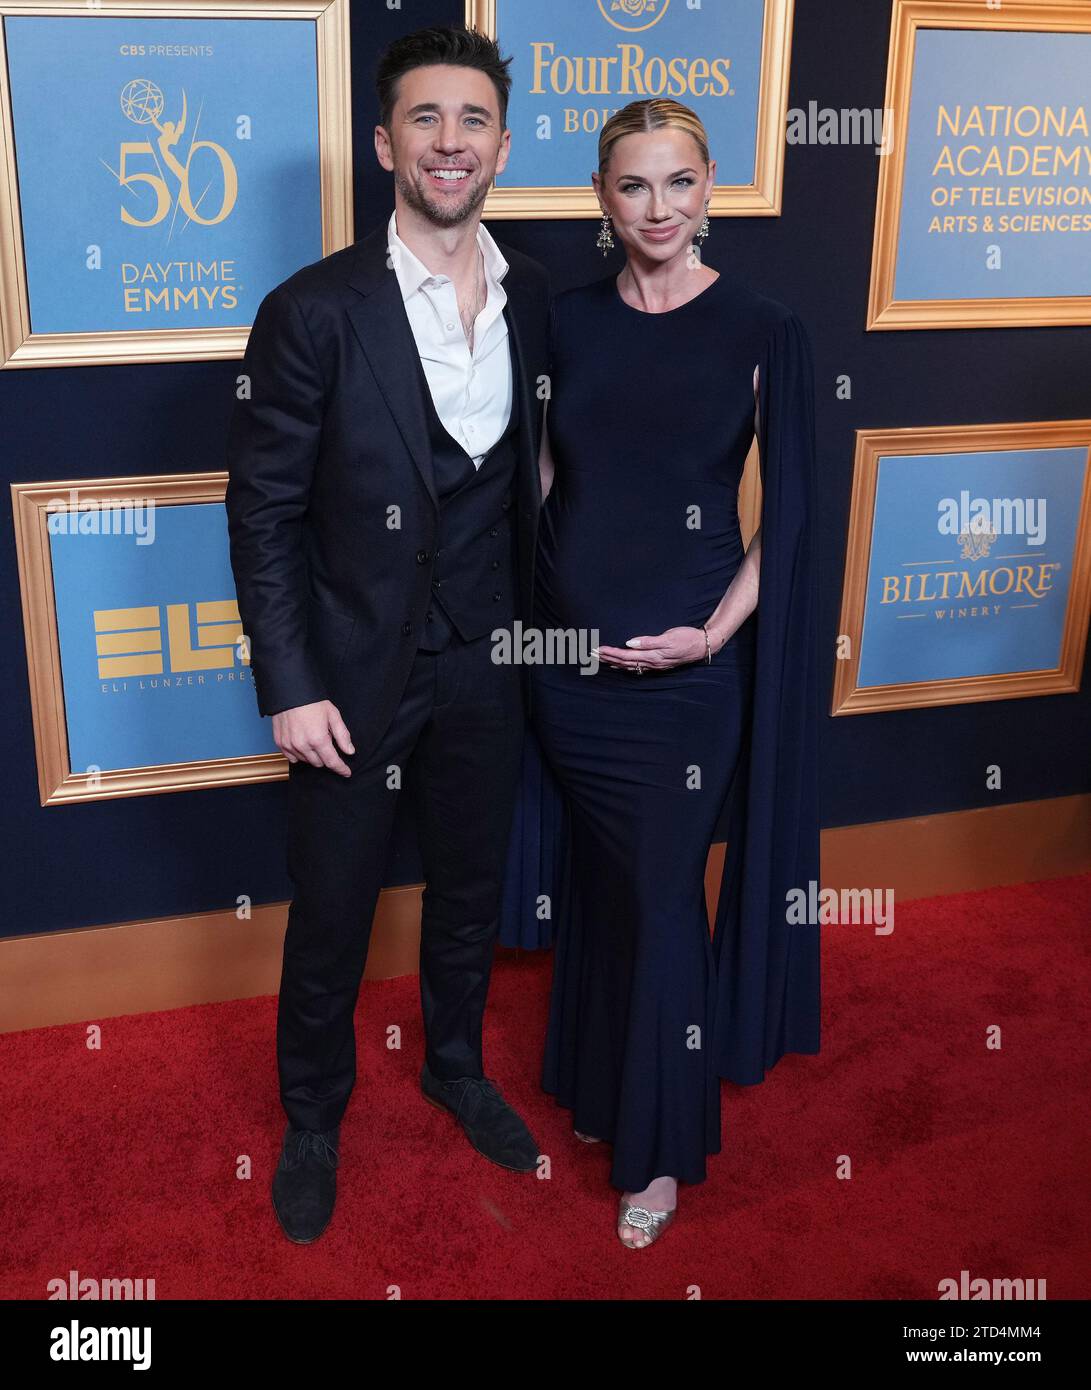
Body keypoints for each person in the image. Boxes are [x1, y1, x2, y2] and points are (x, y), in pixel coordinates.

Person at [225, 24, 551, 1244]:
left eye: (471, 121)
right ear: (384, 143)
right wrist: (290, 681)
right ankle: (313, 1115)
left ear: (502, 146)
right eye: (425, 119)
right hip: (351, 674)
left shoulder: (537, 309)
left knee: (469, 888)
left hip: (489, 661)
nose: (449, 141)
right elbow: (258, 510)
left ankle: (456, 1066)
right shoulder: (310, 312)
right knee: (333, 906)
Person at [521, 97, 821, 1247]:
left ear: (712, 188)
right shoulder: (568, 323)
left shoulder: (760, 326)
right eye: (633, 186)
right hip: (570, 677)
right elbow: (541, 481)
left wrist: (714, 633)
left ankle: (657, 1149)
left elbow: (785, 519)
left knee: (654, 902)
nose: (658, 208)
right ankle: (606, 1089)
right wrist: (537, 623)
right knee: (609, 895)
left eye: (679, 183)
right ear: (603, 199)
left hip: (688, 686)